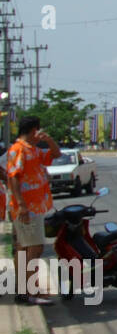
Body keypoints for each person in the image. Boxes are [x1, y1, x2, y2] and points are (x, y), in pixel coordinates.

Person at [6, 116, 60, 305]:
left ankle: (27, 289)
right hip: (27, 208)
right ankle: (29, 291)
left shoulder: (34, 150)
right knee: (34, 248)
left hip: (34, 207)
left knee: (25, 248)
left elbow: (55, 154)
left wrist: (49, 140)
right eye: (39, 131)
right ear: (33, 130)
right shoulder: (18, 149)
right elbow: (13, 177)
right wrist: (21, 204)